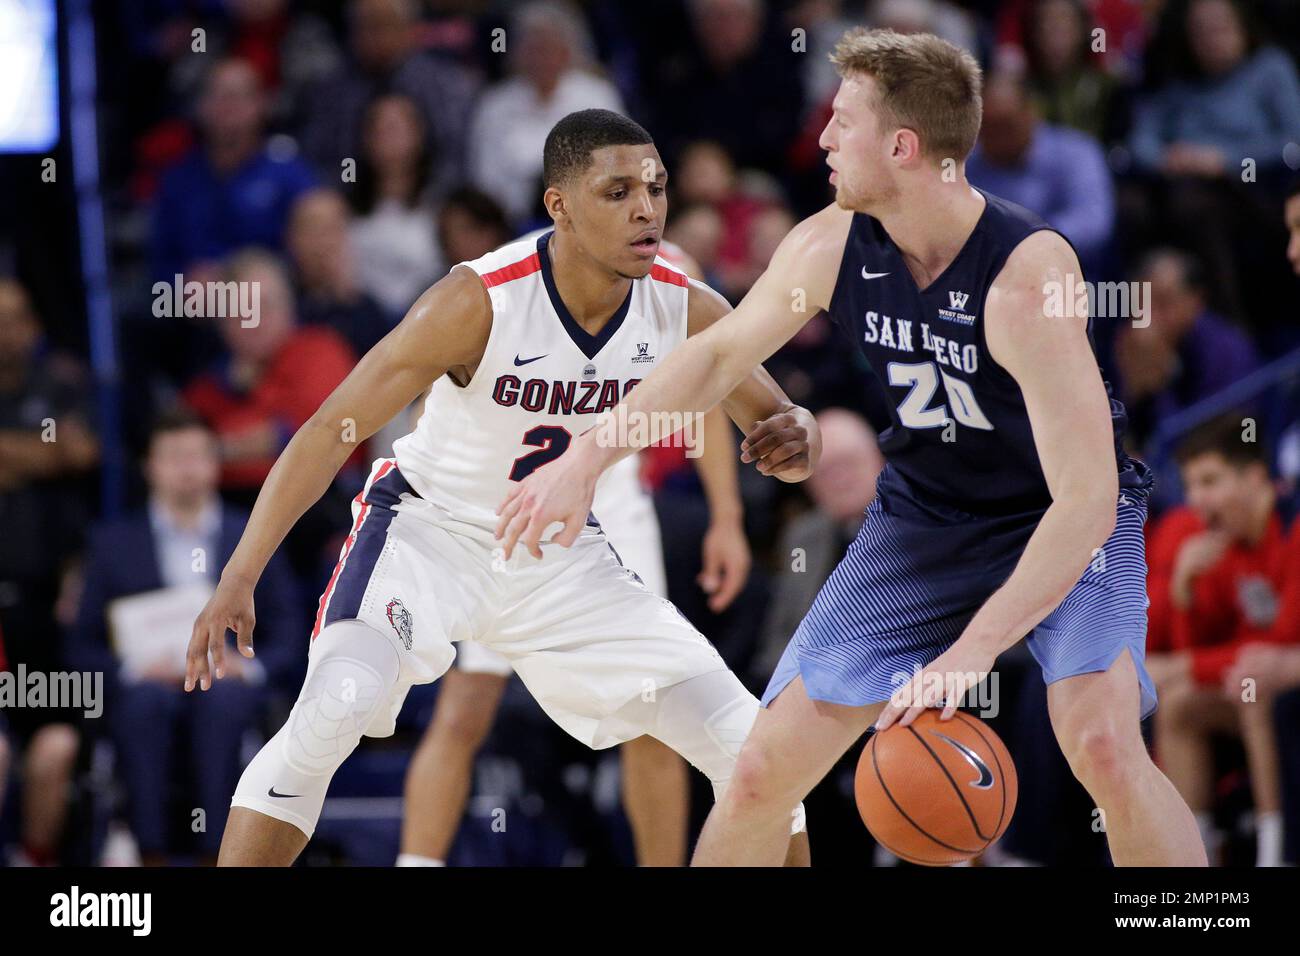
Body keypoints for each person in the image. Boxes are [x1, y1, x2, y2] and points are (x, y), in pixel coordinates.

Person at [499, 28, 1207, 866]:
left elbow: (1085, 498)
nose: (825, 137)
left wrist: (967, 654)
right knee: (760, 771)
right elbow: (719, 356)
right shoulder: (829, 242)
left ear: (902, 147)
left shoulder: (1025, 277)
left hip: (1059, 520)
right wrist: (583, 460)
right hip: (925, 520)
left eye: (843, 121)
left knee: (1102, 746)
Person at [184, 109, 817, 866]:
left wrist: (798, 440)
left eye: (655, 187)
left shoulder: (685, 306)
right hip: (431, 535)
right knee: (334, 708)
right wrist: (240, 571)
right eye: (617, 191)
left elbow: (782, 428)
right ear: (560, 206)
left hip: (561, 556)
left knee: (757, 754)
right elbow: (329, 430)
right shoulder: (478, 300)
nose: (646, 207)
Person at [397, 242, 753, 868]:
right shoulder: (515, 281)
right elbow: (444, 402)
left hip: (612, 499)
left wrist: (726, 516)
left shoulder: (677, 281)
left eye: (649, 187)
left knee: (655, 704)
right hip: (512, 496)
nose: (637, 204)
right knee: (467, 702)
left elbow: (713, 404)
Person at [68, 409, 301, 864]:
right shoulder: (111, 543)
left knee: (222, 702)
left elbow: (289, 629)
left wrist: (249, 666)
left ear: (215, 463)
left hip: (225, 686)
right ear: (150, 467)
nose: (188, 468)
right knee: (143, 705)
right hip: (147, 686)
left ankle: (219, 854)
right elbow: (81, 642)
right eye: (174, 456)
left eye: (198, 455)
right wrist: (133, 668)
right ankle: (147, 849)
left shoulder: (252, 536)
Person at [1145, 417, 1300, 866]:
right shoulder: (1225, 544)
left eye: (1210, 481)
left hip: (1283, 681)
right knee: (1180, 705)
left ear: (1254, 477)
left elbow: (1279, 646)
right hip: (1264, 679)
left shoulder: (1291, 528)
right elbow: (1196, 645)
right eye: (1190, 485)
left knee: (1253, 688)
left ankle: (1278, 852)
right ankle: (1193, 855)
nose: (1197, 500)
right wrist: (1183, 590)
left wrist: (1185, 668)